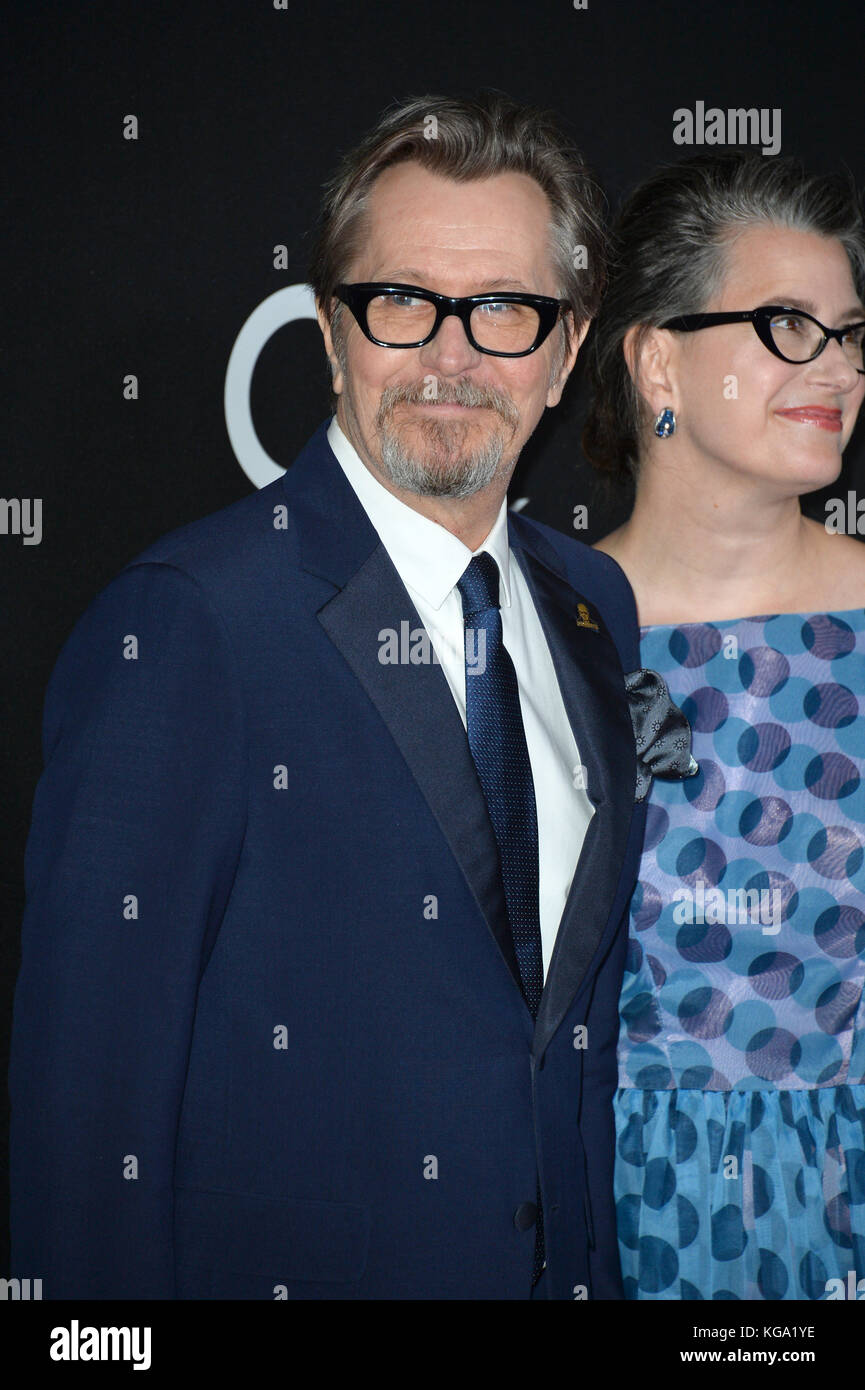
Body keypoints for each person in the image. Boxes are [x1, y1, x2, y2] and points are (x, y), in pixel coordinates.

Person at [10, 92, 660, 1300]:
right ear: (328, 331)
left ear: (569, 348)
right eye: (402, 301)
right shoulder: (190, 621)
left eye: (505, 311)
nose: (452, 355)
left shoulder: (590, 605)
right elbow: (86, 1105)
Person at [585, 149, 865, 1300]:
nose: (836, 367)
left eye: (848, 332)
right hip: (618, 1210)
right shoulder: (540, 643)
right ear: (657, 356)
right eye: (786, 326)